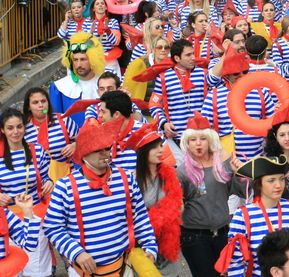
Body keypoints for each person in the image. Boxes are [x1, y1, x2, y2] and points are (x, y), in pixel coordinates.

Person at [43, 117, 158, 276]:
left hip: (123, 268)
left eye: (107, 148)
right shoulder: (65, 187)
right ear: (83, 154)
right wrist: (77, 253)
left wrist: (150, 247)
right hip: (83, 272)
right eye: (98, 150)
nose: (105, 153)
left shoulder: (126, 179)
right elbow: (52, 227)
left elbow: (140, 217)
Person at [217, 156, 289, 277]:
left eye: (282, 179)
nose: (278, 185)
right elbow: (235, 261)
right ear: (259, 184)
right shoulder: (242, 215)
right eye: (271, 180)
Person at [177, 112, 243, 276]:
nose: (198, 144)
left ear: (211, 140)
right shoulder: (182, 171)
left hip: (222, 233)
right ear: (187, 143)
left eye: (203, 139)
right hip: (195, 237)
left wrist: (239, 173)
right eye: (193, 140)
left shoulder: (223, 163)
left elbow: (242, 191)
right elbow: (176, 205)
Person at [0, 108, 53, 277]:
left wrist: (50, 183)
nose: (16, 132)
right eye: (10, 128)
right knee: (13, 269)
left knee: (37, 267)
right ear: (2, 130)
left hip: (34, 215)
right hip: (7, 219)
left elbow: (46, 177)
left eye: (19, 126)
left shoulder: (36, 150)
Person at [127, 123, 183, 276]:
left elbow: (180, 206)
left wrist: (166, 217)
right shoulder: (131, 180)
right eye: (155, 147)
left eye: (161, 145)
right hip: (144, 245)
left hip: (168, 243)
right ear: (144, 152)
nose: (161, 150)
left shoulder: (170, 175)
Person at [49, 33, 104, 127]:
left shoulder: (105, 84)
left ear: (93, 60)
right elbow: (56, 123)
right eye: (75, 60)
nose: (79, 64)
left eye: (83, 59)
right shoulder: (59, 88)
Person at [23, 87, 78, 182]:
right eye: (35, 102)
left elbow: (85, 140)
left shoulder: (63, 119)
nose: (41, 105)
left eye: (43, 101)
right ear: (28, 107)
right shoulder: (23, 128)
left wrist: (75, 145)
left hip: (66, 177)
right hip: (39, 182)